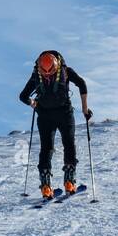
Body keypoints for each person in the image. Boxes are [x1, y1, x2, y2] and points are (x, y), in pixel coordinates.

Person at [19, 50, 91, 200]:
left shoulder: (37, 75)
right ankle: (69, 183)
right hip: (64, 113)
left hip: (45, 115)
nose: (46, 75)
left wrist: (35, 105)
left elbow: (23, 96)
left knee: (47, 148)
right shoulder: (66, 71)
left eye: (49, 72)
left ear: (56, 66)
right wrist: (85, 108)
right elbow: (82, 84)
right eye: (44, 72)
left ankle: (46, 187)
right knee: (68, 144)